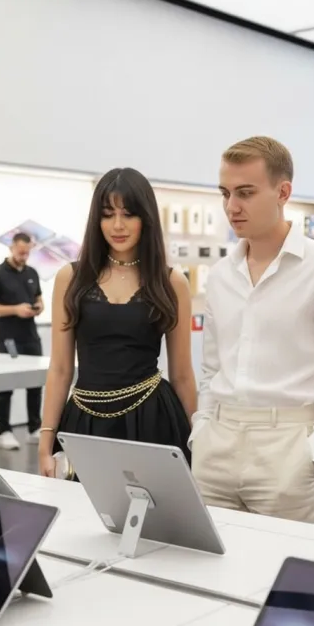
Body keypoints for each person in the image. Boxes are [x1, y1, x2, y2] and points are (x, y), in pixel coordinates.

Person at [189, 135, 314, 526]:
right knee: (205, 577)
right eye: (225, 193)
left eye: (245, 193)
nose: (231, 207)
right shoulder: (222, 276)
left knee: (287, 580)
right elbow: (211, 368)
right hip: (216, 446)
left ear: (283, 192)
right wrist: (201, 430)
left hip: (289, 444)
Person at [38, 167, 196, 478]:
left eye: (129, 214)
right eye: (108, 214)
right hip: (85, 420)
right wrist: (45, 442)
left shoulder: (171, 281)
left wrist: (200, 439)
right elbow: (60, 368)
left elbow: (182, 373)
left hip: (153, 421)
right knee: (81, 518)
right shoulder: (71, 278)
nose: (118, 225)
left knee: (154, 521)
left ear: (146, 218)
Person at [0, 232, 44, 450]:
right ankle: (4, 431)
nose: (23, 256)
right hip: (6, 340)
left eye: (27, 253)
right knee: (6, 386)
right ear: (11, 248)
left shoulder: (32, 273)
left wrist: (38, 307)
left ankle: (34, 428)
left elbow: (38, 298)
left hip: (30, 337)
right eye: (20, 252)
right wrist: (15, 310)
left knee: (35, 385)